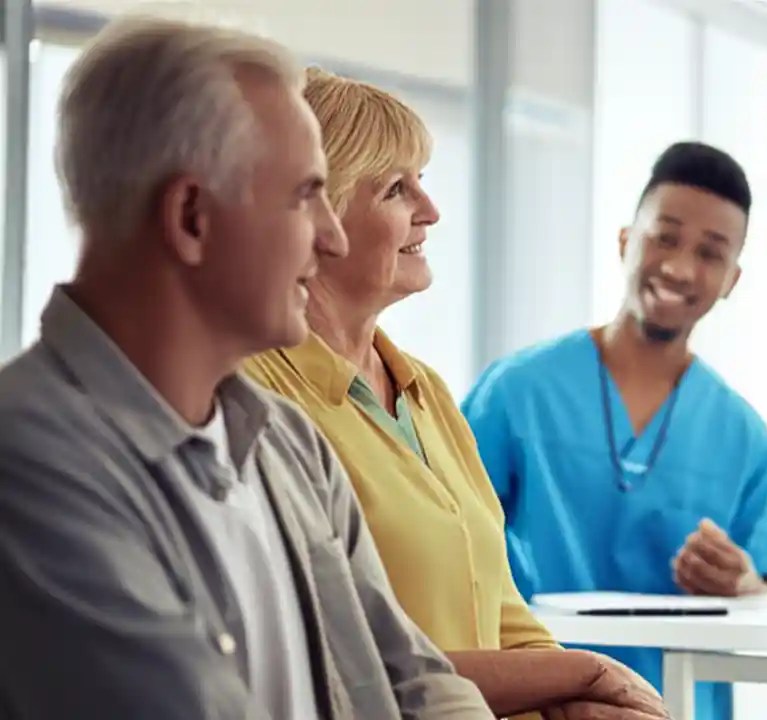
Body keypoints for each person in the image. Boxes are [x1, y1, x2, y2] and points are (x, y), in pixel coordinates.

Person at [0, 15, 500, 720]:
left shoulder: (288, 448)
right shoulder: (30, 463)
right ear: (192, 217)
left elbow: (413, 681)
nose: (327, 235)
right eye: (304, 196)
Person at [241, 68, 666, 720]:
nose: (430, 211)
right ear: (315, 216)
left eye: (424, 182)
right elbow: (330, 664)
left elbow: (504, 617)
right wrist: (582, 673)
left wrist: (581, 700)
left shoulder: (425, 391)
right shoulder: (257, 397)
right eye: (395, 189)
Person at [461, 141, 767, 720]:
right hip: (541, 705)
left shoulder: (742, 435)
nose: (679, 267)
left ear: (732, 279)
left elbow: (763, 588)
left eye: (710, 253)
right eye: (664, 237)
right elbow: (451, 541)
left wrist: (743, 582)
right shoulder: (516, 392)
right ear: (625, 240)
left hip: (679, 704)